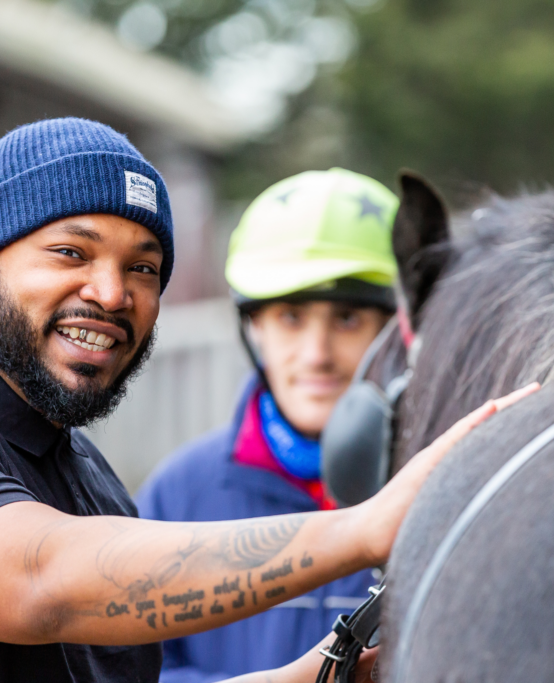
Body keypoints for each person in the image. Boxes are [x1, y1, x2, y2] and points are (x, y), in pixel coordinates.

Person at [0, 118, 538, 683]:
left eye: (142, 267)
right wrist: (366, 528)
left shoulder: (92, 482)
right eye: (72, 253)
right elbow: (40, 579)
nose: (113, 293)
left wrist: (311, 677)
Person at [136, 168, 401, 682]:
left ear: (397, 328)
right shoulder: (179, 497)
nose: (317, 355)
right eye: (291, 318)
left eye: (347, 319)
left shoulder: (448, 488)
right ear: (252, 326)